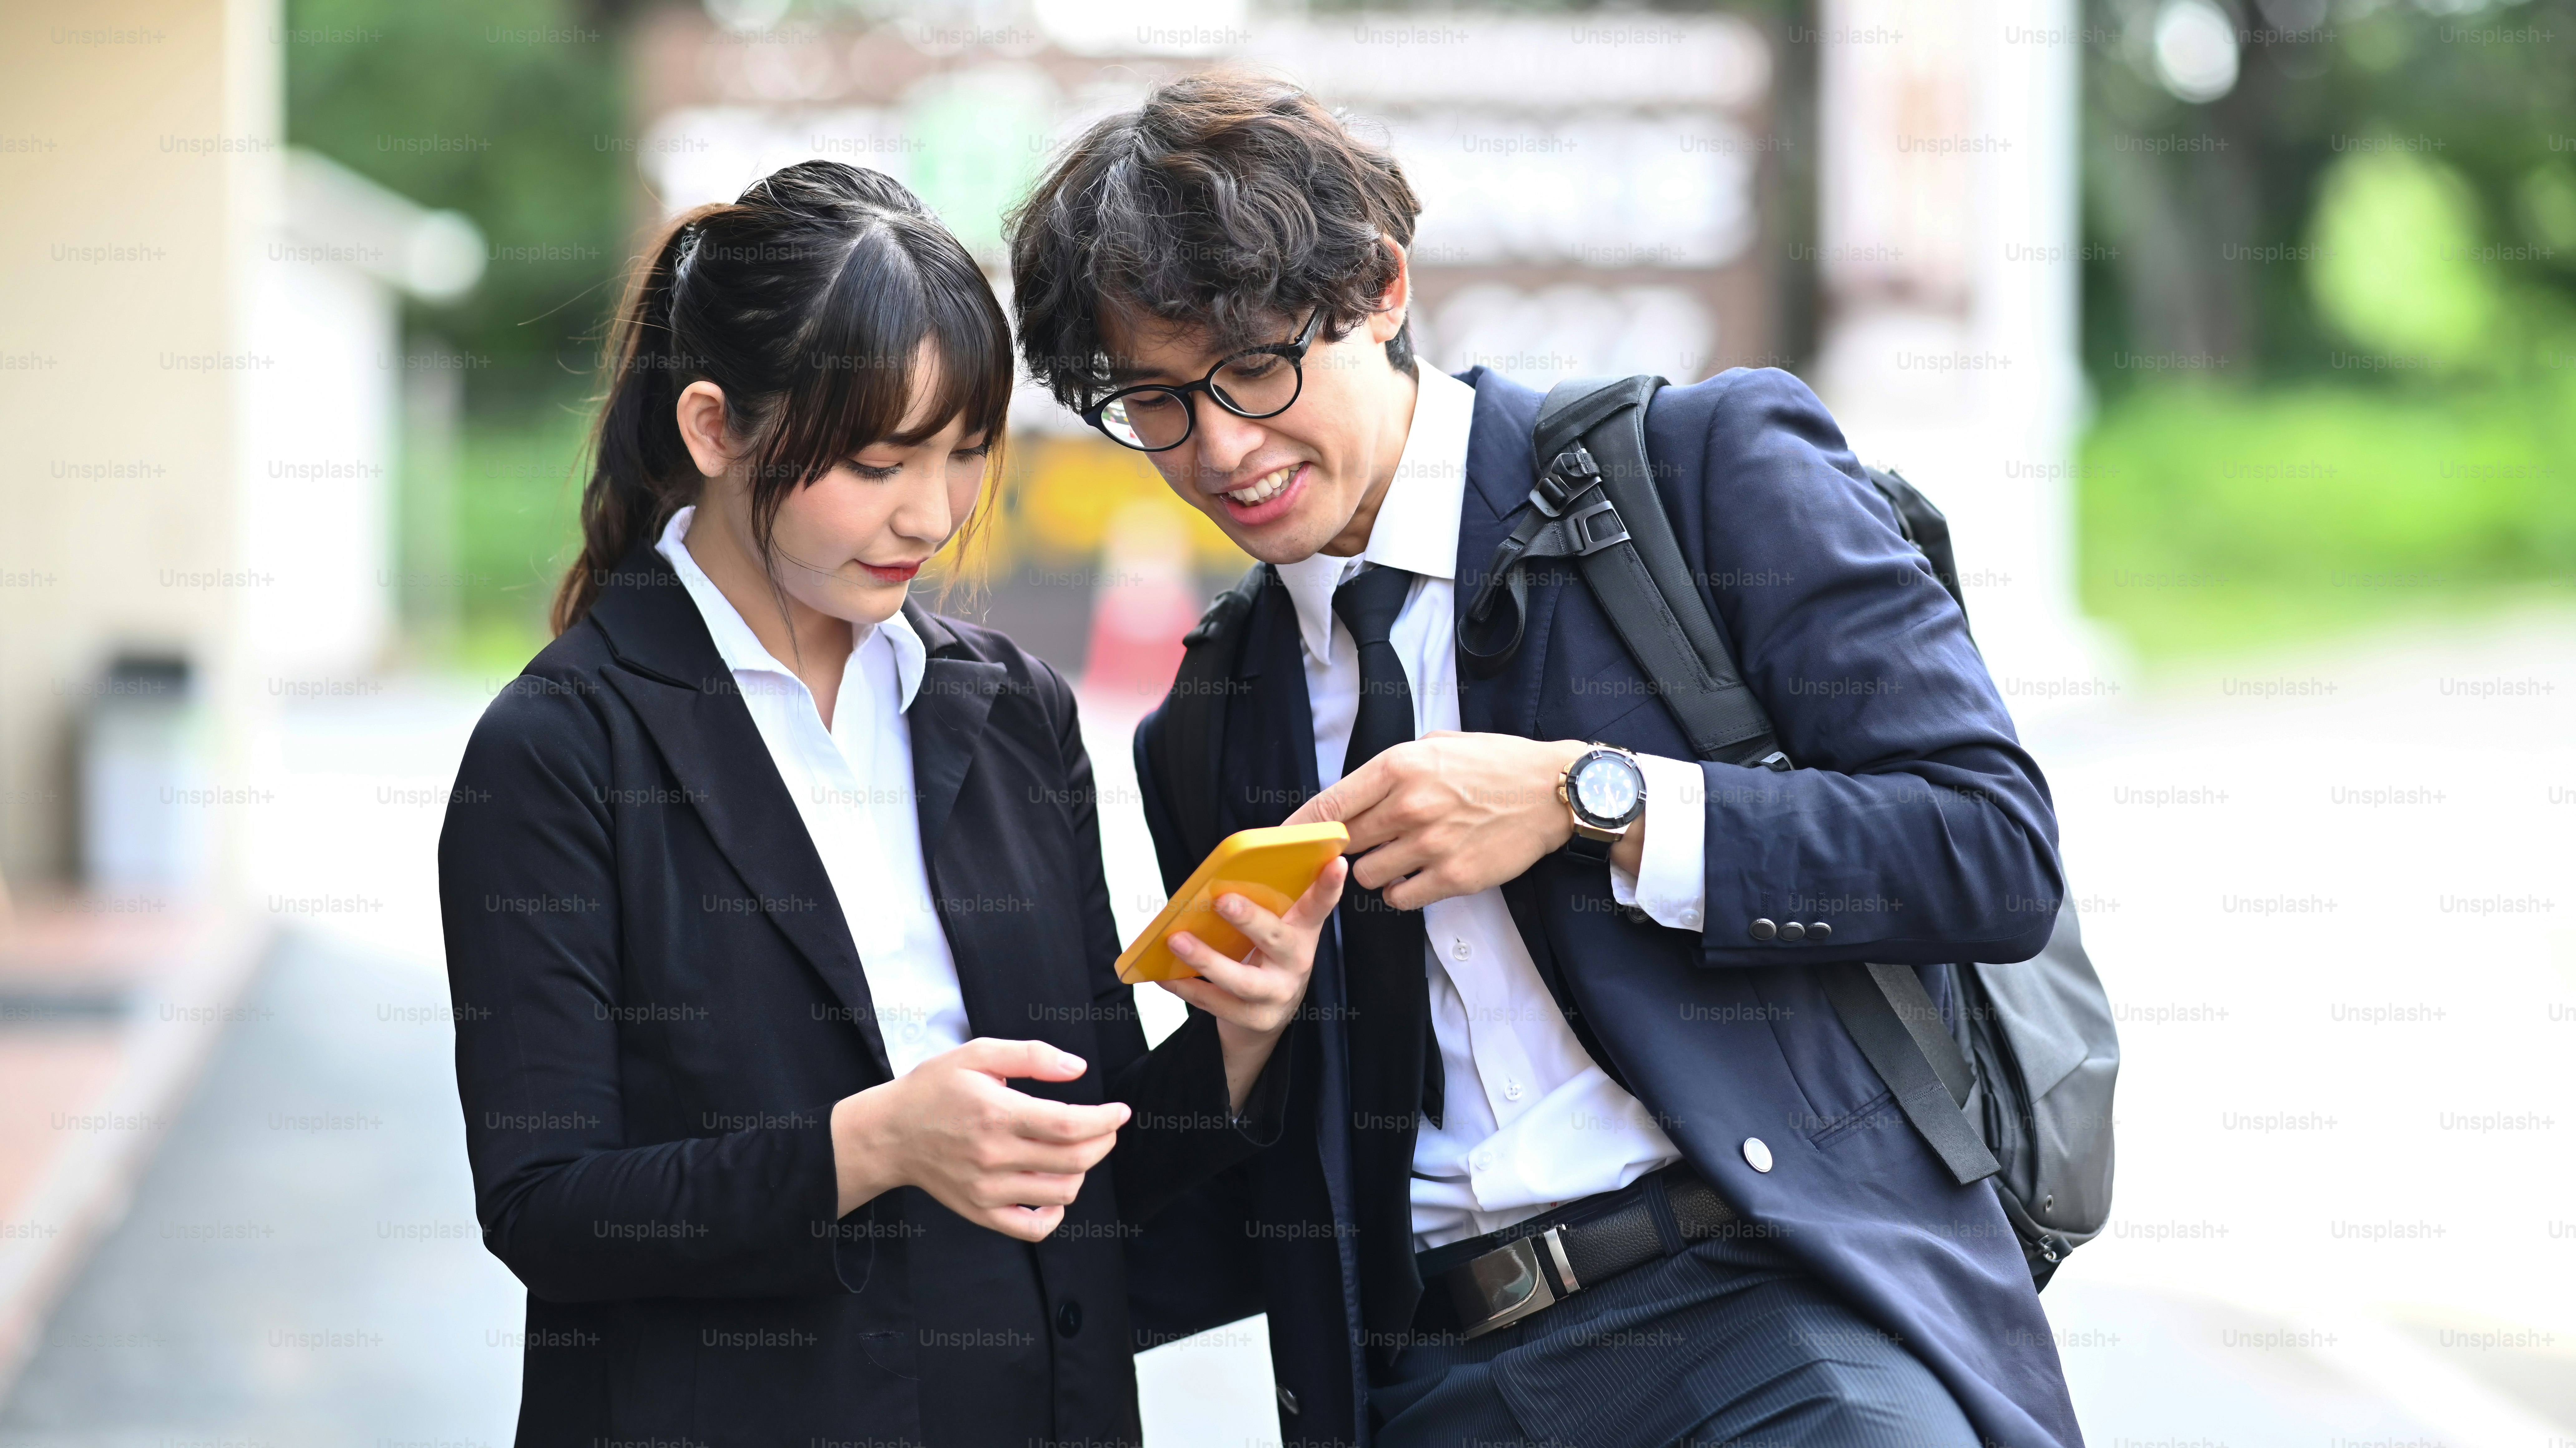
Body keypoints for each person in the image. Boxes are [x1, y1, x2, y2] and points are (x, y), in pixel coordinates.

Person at [1008, 76, 2084, 1448]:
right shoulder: (1210, 723)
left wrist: (1592, 799)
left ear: (1380, 287)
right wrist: (1241, 1048)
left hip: (1774, 1311)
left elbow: (1990, 849)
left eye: (1258, 367)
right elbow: (1260, 1197)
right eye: (1155, 401)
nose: (1222, 448)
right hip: (1436, 1382)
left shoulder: (1699, 470)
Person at [438, 161, 1345, 1447]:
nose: (931, 513)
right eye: (876, 463)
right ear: (714, 429)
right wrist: (875, 1145)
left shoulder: (1012, 710)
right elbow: (549, 1209)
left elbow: (1095, 1160)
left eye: (967, 452)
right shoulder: (561, 749)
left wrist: (1241, 1034)